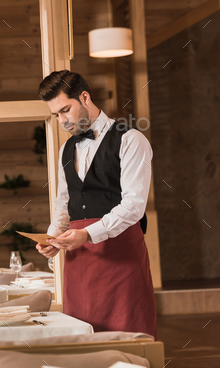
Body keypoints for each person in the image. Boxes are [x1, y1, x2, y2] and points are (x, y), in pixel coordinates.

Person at [36, 70, 157, 338]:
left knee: (128, 336)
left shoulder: (131, 139)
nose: (62, 120)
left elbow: (134, 206)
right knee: (83, 339)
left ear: (85, 97)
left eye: (65, 110)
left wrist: (88, 234)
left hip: (121, 256)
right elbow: (63, 202)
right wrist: (53, 236)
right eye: (56, 115)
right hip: (79, 261)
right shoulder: (65, 150)